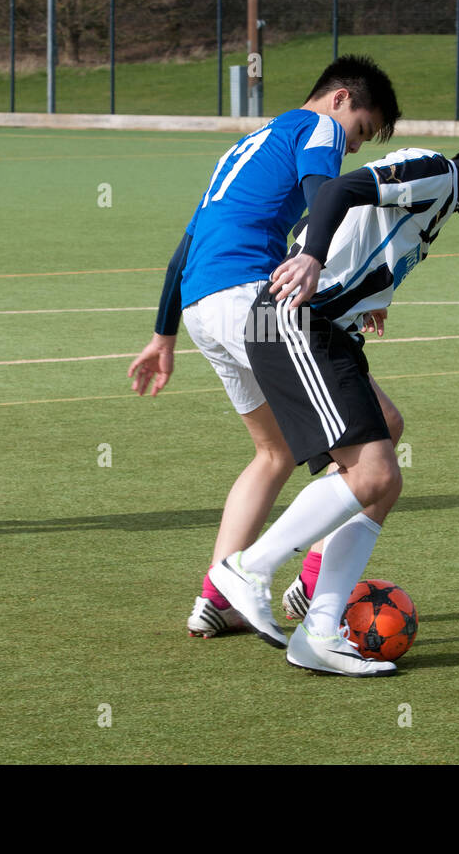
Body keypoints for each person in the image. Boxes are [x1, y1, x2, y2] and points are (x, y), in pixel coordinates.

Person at [209, 114, 459, 675]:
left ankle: (319, 631)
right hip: (295, 321)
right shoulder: (438, 173)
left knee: (386, 453)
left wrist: (374, 296)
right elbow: (340, 189)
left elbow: (371, 237)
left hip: (330, 331)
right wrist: (313, 256)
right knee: (373, 474)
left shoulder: (441, 204)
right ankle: (248, 569)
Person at [126, 56, 401, 637]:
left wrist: (163, 333)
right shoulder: (319, 128)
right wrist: (333, 267)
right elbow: (325, 197)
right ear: (341, 99)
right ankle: (311, 581)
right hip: (252, 303)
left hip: (205, 309)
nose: (352, 147)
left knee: (274, 453)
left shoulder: (250, 143)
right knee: (383, 427)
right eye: (360, 131)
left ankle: (216, 598)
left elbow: (186, 245)